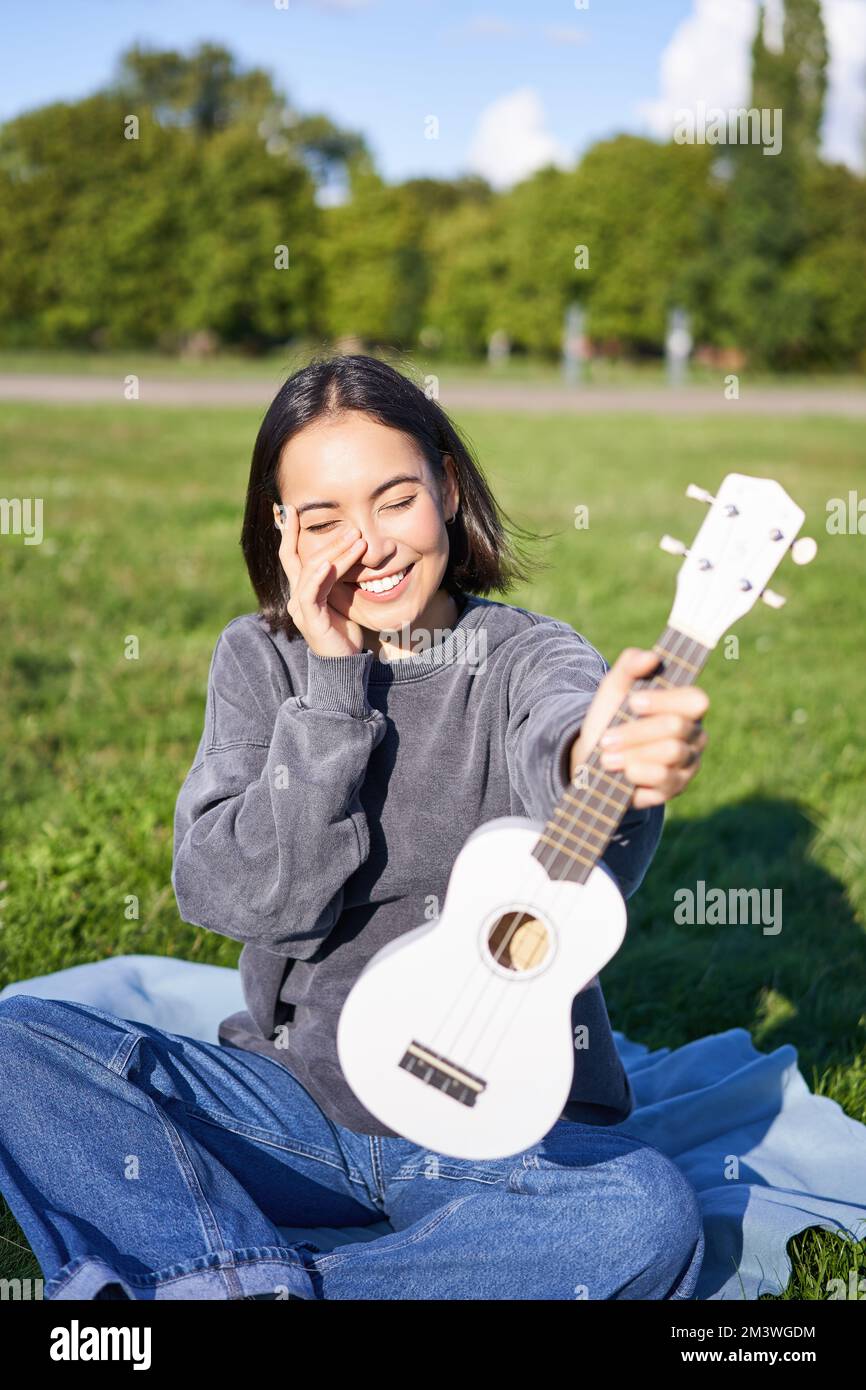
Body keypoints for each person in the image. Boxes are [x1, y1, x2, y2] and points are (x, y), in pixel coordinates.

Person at [0, 354, 709, 1300]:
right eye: (324, 518)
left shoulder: (528, 656)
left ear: (449, 491)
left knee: (644, 1213)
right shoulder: (259, 660)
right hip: (294, 1108)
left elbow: (567, 740)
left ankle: (243, 1281)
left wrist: (605, 757)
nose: (366, 546)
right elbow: (235, 894)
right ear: (284, 533)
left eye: (395, 499)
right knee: (16, 1045)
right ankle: (244, 1275)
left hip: (496, 1137)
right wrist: (333, 689)